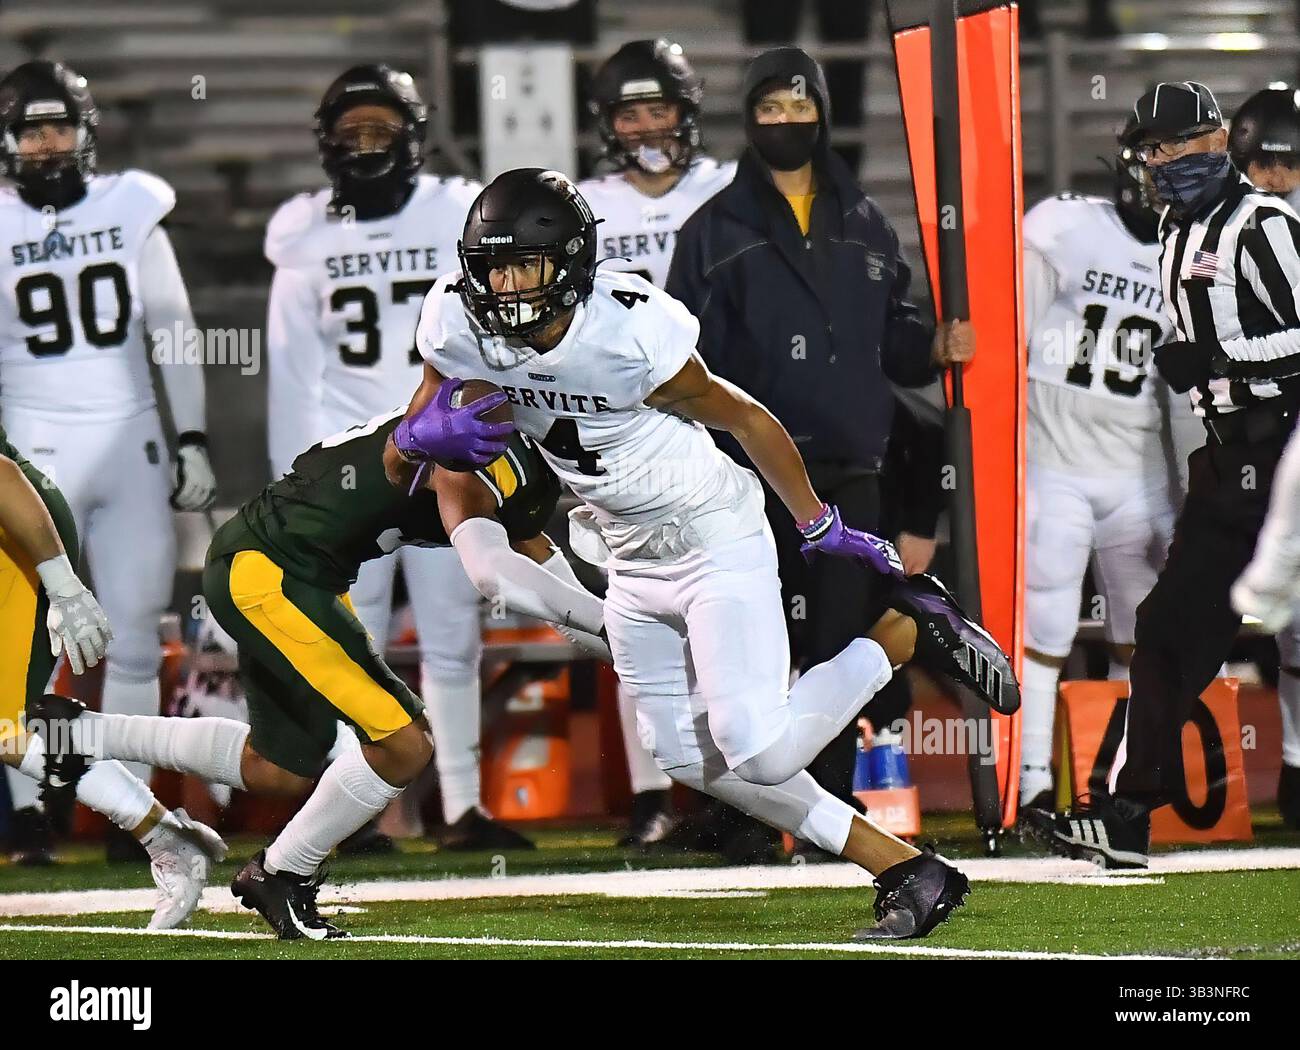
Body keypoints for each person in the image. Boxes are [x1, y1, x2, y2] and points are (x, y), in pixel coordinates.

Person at [401, 167, 1020, 939]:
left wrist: (816, 520)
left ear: (572, 263)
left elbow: (747, 418)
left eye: (525, 265)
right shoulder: (458, 324)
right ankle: (906, 869)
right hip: (629, 555)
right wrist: (413, 436)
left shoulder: (625, 331)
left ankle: (906, 627)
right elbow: (420, 426)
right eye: (492, 268)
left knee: (756, 754)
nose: (508, 287)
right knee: (687, 757)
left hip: (711, 532)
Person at [36, 411, 608, 940]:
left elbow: (562, 596)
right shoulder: (479, 440)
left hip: (293, 572)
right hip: (271, 572)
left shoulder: (521, 469)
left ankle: (79, 733)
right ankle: (282, 874)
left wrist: (637, 645)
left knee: (279, 769)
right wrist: (615, 624)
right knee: (404, 744)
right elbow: (494, 574)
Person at [665, 47, 959, 842]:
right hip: (745, 474)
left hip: (849, 471)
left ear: (822, 115)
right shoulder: (710, 232)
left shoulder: (864, 220)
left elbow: (895, 347)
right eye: (772, 110)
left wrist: (935, 345)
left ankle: (824, 813)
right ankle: (744, 817)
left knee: (833, 649)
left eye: (801, 110)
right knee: (748, 653)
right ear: (749, 118)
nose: (787, 123)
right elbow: (677, 357)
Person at [1033, 82, 1300, 867]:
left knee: (1189, 627)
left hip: (1280, 452)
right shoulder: (1177, 234)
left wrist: (1221, 358)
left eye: (1179, 145)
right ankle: (1126, 811)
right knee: (1170, 628)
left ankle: (1126, 808)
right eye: (1154, 150)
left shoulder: (1264, 227)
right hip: (1230, 458)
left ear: (1218, 142)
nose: (1165, 162)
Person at [266, 64, 527, 851]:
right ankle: (357, 812)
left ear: (414, 136)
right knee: (353, 639)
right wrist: (300, 487)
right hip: (359, 461)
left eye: (382, 129)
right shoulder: (302, 239)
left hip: (447, 451)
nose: (368, 145)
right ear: (326, 144)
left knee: (454, 634)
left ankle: (461, 805)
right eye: (353, 133)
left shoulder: (459, 213)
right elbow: (289, 375)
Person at [0, 61, 216, 861]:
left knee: (130, 638)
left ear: (86, 134)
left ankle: (133, 815)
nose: (48, 143)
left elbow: (175, 330)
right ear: (9, 141)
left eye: (60, 127)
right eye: (33, 130)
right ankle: (27, 820)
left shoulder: (133, 207)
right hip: (31, 456)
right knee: (20, 645)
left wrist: (190, 435)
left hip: (129, 444)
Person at [578, 38, 736, 847]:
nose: (645, 125)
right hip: (617, 433)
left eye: (659, 109)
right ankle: (651, 792)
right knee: (630, 607)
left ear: (686, 113)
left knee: (721, 606)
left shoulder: (730, 191)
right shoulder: (583, 204)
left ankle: (725, 788)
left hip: (708, 415)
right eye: (630, 111)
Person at [0, 423, 225, 926]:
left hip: (14, 520)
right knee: (14, 728)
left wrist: (62, 584)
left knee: (7, 727)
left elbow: (2, 476)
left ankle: (165, 835)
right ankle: (169, 825)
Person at [1015, 139, 1182, 819]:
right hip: (1053, 459)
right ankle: (1028, 783)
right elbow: (1013, 335)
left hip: (1140, 469)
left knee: (1140, 637)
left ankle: (1112, 781)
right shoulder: (1064, 226)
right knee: (1045, 619)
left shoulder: (1198, 249)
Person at [1228, 85, 1300, 827]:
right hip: (1255, 430)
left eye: (1290, 162)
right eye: (1266, 161)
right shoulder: (1230, 225)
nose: (1278, 176)